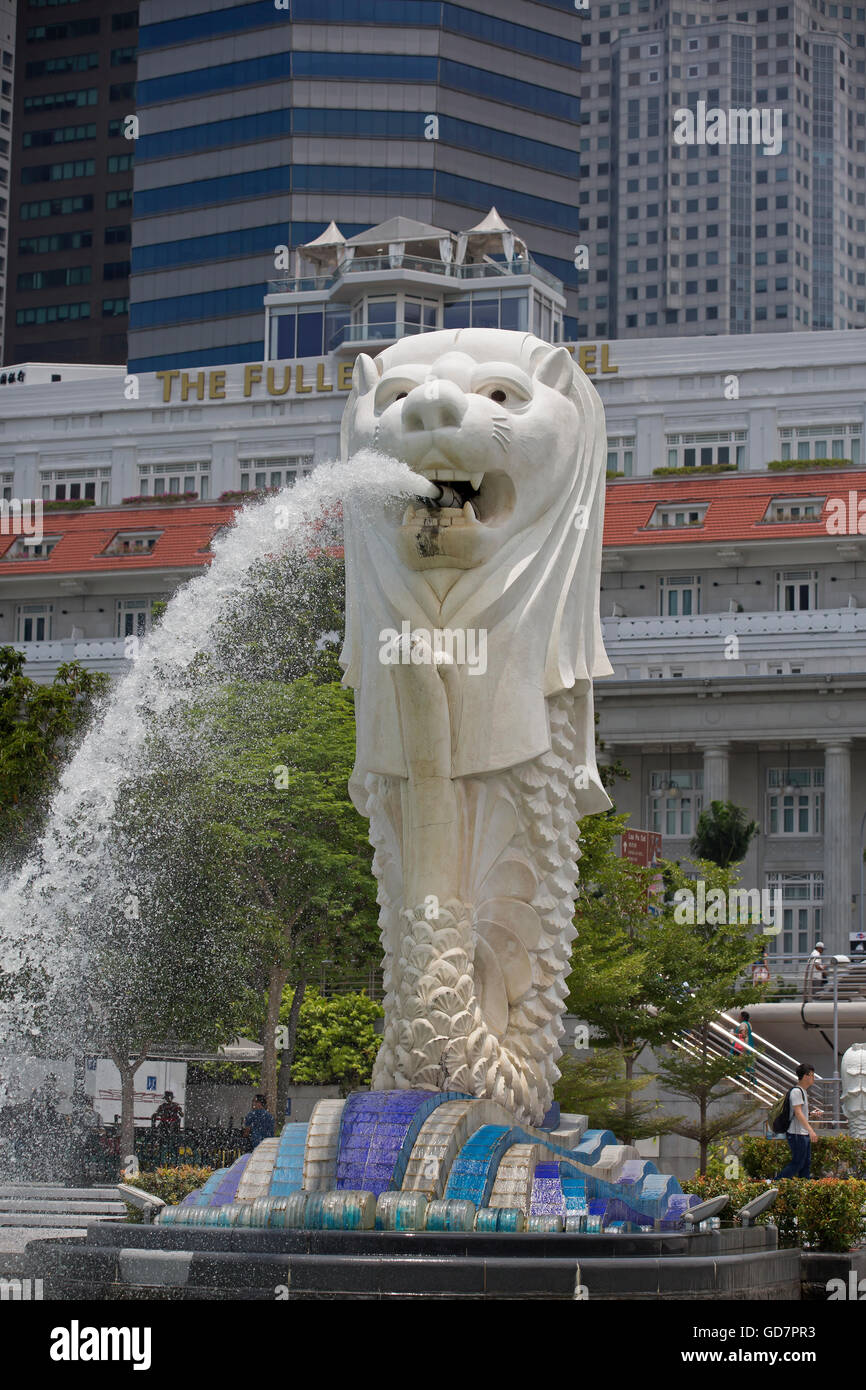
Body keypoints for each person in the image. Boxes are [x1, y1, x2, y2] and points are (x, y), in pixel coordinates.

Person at [776, 1063, 823, 1179]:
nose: (814, 1078)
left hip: (802, 1133)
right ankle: (775, 1183)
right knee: (798, 1163)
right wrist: (811, 1130)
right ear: (806, 1076)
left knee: (805, 1164)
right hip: (797, 1134)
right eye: (812, 1076)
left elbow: (799, 1112)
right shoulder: (796, 1092)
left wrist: (811, 1114)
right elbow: (797, 1112)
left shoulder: (803, 1091)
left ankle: (804, 1189)